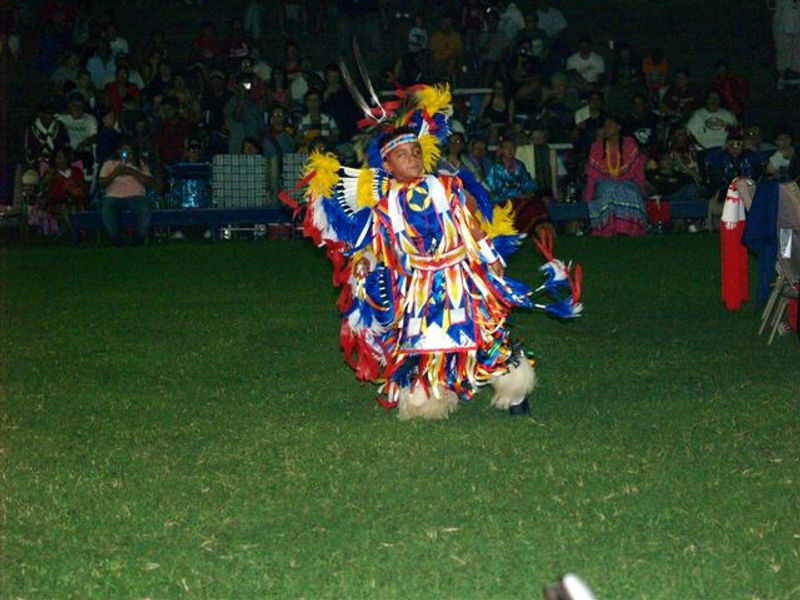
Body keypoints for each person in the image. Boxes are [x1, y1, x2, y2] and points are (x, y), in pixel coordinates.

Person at [289, 83, 581, 419]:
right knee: (425, 345)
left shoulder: (447, 186)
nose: (412, 159)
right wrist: (364, 261)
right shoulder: (384, 206)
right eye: (402, 155)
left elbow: (471, 226)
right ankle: (428, 399)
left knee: (483, 334)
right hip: (417, 287)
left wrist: (490, 258)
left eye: (415, 152)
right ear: (388, 165)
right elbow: (371, 244)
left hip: (460, 277)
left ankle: (514, 391)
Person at [584, 114, 648, 236]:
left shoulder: (629, 144)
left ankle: (628, 229)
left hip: (628, 183)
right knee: (608, 189)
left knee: (626, 191)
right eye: (605, 126)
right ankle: (607, 229)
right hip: (604, 185)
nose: (606, 128)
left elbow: (637, 171)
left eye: (610, 125)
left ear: (619, 127)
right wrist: (588, 196)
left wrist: (642, 189)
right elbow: (592, 176)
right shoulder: (597, 147)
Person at [486, 137, 551, 235]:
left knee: (537, 204)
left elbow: (528, 182)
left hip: (521, 198)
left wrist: (529, 191)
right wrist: (517, 194)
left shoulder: (519, 165)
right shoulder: (496, 168)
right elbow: (497, 189)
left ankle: (546, 231)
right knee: (527, 208)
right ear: (502, 150)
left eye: (512, 147)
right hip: (503, 201)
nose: (510, 150)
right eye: (506, 147)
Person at [98, 140, 153, 245]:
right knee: (107, 209)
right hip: (113, 196)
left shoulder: (140, 164)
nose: (127, 156)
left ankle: (139, 239)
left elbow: (149, 182)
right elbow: (101, 183)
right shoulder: (109, 164)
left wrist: (133, 172)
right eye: (125, 152)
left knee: (144, 210)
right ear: (119, 152)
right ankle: (116, 239)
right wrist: (115, 174)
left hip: (136, 196)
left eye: (130, 153)